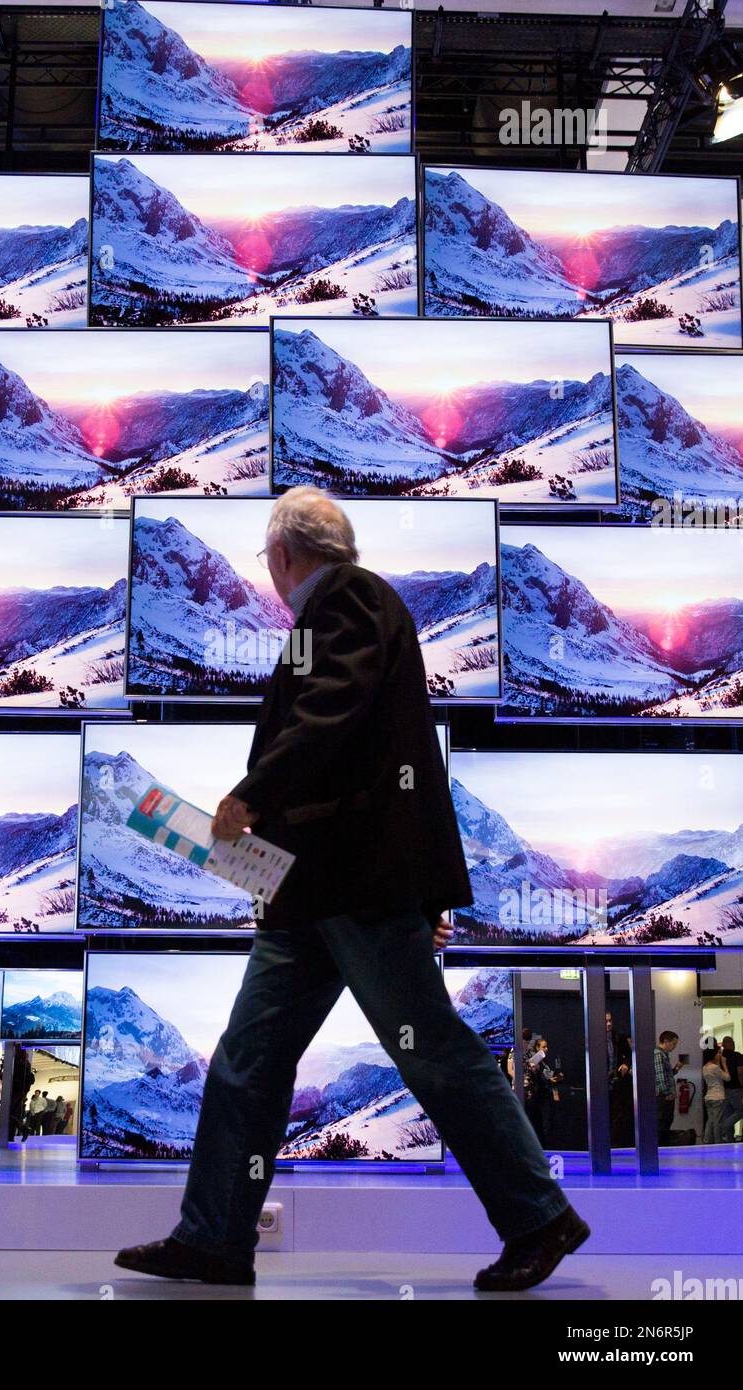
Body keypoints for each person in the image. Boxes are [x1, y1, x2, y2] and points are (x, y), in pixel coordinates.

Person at [115, 488, 588, 1293]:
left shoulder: (348, 599)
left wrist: (253, 793)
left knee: (428, 1046)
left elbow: (329, 714)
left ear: (285, 556)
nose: (269, 572)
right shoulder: (347, 606)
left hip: (359, 880)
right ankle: (215, 1240)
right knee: (248, 1060)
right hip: (315, 886)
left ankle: (540, 1217)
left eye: (267, 559)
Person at [654, 1031, 683, 1147]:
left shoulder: (663, 1055)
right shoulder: (658, 1055)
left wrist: (676, 1069)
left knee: (665, 1122)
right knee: (663, 1123)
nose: (674, 1047)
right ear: (666, 1041)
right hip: (662, 1096)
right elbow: (660, 1077)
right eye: (673, 1044)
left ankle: (662, 1146)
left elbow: (666, 1074)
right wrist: (668, 1093)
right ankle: (660, 1147)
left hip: (664, 1096)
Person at [702, 1044, 730, 1144]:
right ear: (714, 1054)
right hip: (718, 1097)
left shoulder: (705, 1067)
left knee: (710, 1121)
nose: (719, 1055)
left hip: (708, 1097)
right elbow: (727, 1077)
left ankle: (706, 1140)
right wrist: (724, 1064)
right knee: (718, 1122)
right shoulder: (715, 1067)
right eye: (718, 1053)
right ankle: (718, 1142)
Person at [718, 1035, 743, 1142]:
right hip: (736, 1088)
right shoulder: (738, 1056)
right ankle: (723, 1127)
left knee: (728, 1113)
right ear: (730, 1044)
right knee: (740, 1111)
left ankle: (729, 1139)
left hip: (724, 1088)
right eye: (732, 1041)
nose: (733, 1043)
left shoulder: (719, 1057)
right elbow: (740, 1073)